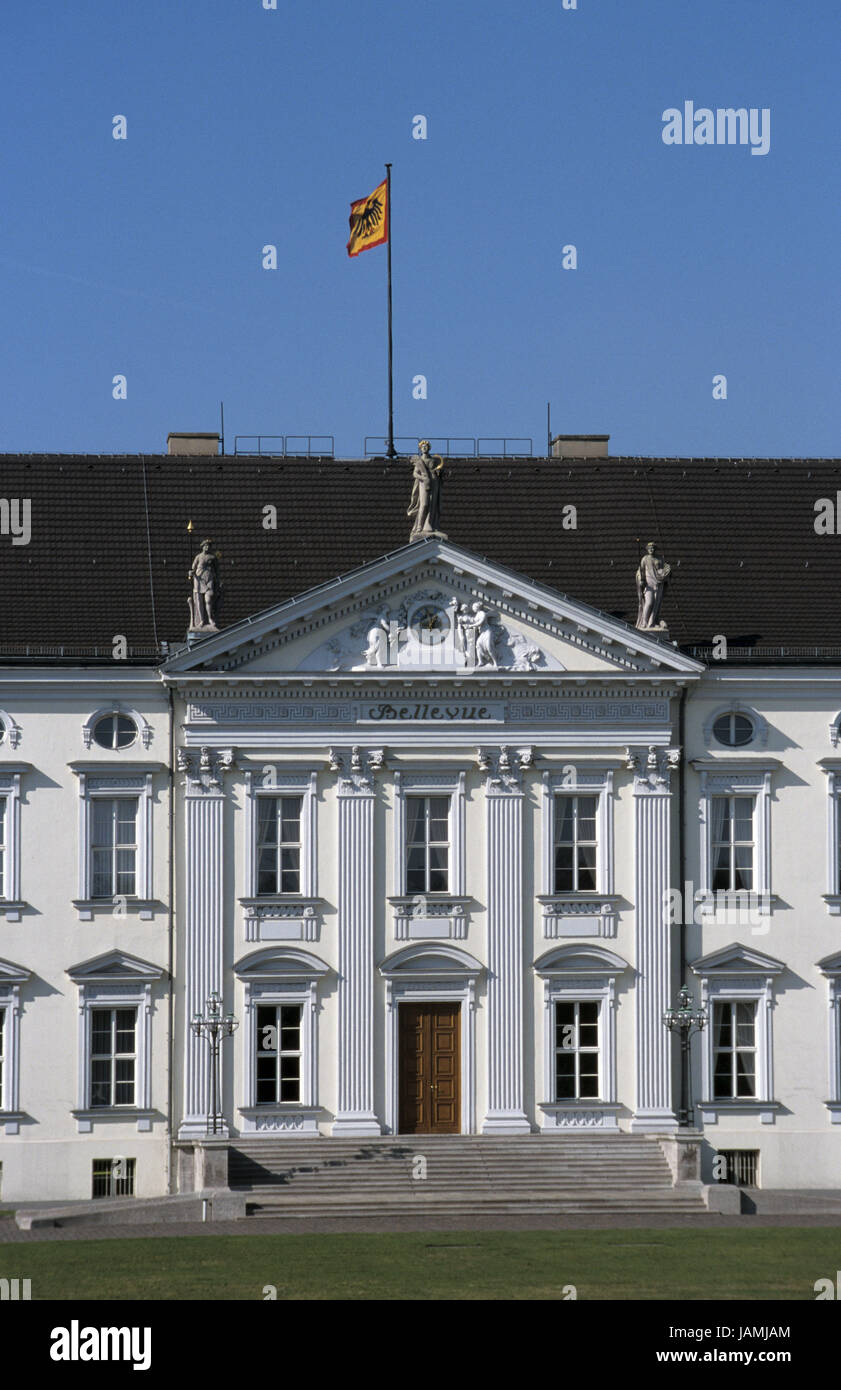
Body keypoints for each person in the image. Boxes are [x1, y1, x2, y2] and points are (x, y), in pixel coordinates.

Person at [407, 441, 444, 538]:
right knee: (424, 504)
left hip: (434, 483)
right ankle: (419, 527)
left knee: (433, 504)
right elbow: (415, 473)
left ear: (429, 448)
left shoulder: (433, 460)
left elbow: (437, 470)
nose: (424, 448)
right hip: (423, 483)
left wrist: (438, 471)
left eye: (426, 446)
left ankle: (430, 525)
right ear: (420, 448)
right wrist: (423, 478)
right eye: (422, 447)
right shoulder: (420, 461)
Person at [635, 542, 671, 629]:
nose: (651, 549)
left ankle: (652, 622)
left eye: (653, 548)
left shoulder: (660, 559)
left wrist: (666, 572)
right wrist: (641, 580)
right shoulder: (645, 559)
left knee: (656, 604)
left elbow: (663, 570)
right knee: (649, 602)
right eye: (650, 548)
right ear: (647, 549)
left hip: (658, 583)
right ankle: (644, 622)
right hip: (649, 583)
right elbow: (641, 571)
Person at [188, 539, 220, 629]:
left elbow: (217, 570)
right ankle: (202, 620)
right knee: (198, 601)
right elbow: (193, 568)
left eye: (209, 545)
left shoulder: (212, 557)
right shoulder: (198, 557)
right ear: (202, 547)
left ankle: (210, 619)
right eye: (205, 545)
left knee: (208, 599)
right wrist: (191, 573)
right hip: (198, 579)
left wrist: (218, 580)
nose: (207, 547)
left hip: (209, 579)